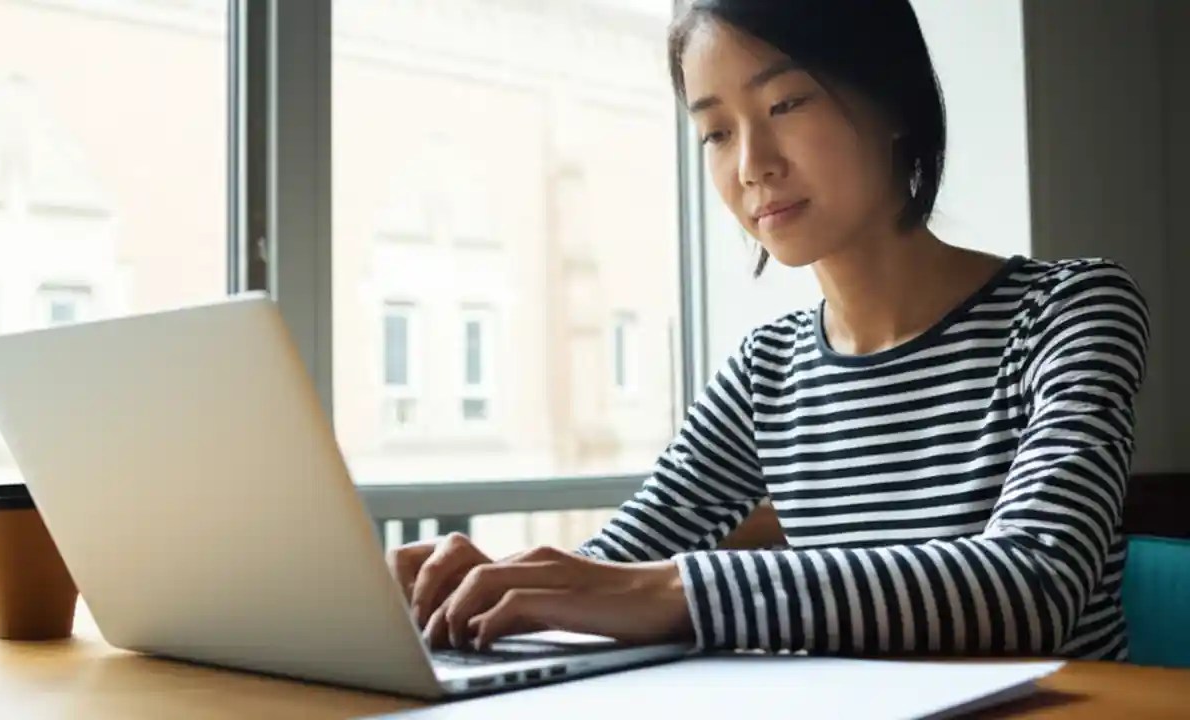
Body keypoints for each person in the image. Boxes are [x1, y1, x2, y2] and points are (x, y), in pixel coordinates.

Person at [386, 0, 1149, 662]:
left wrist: (673, 589)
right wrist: (491, 587)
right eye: (715, 133)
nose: (751, 165)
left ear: (891, 102)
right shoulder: (767, 369)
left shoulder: (1069, 311)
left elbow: (1034, 586)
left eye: (786, 105)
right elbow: (620, 563)